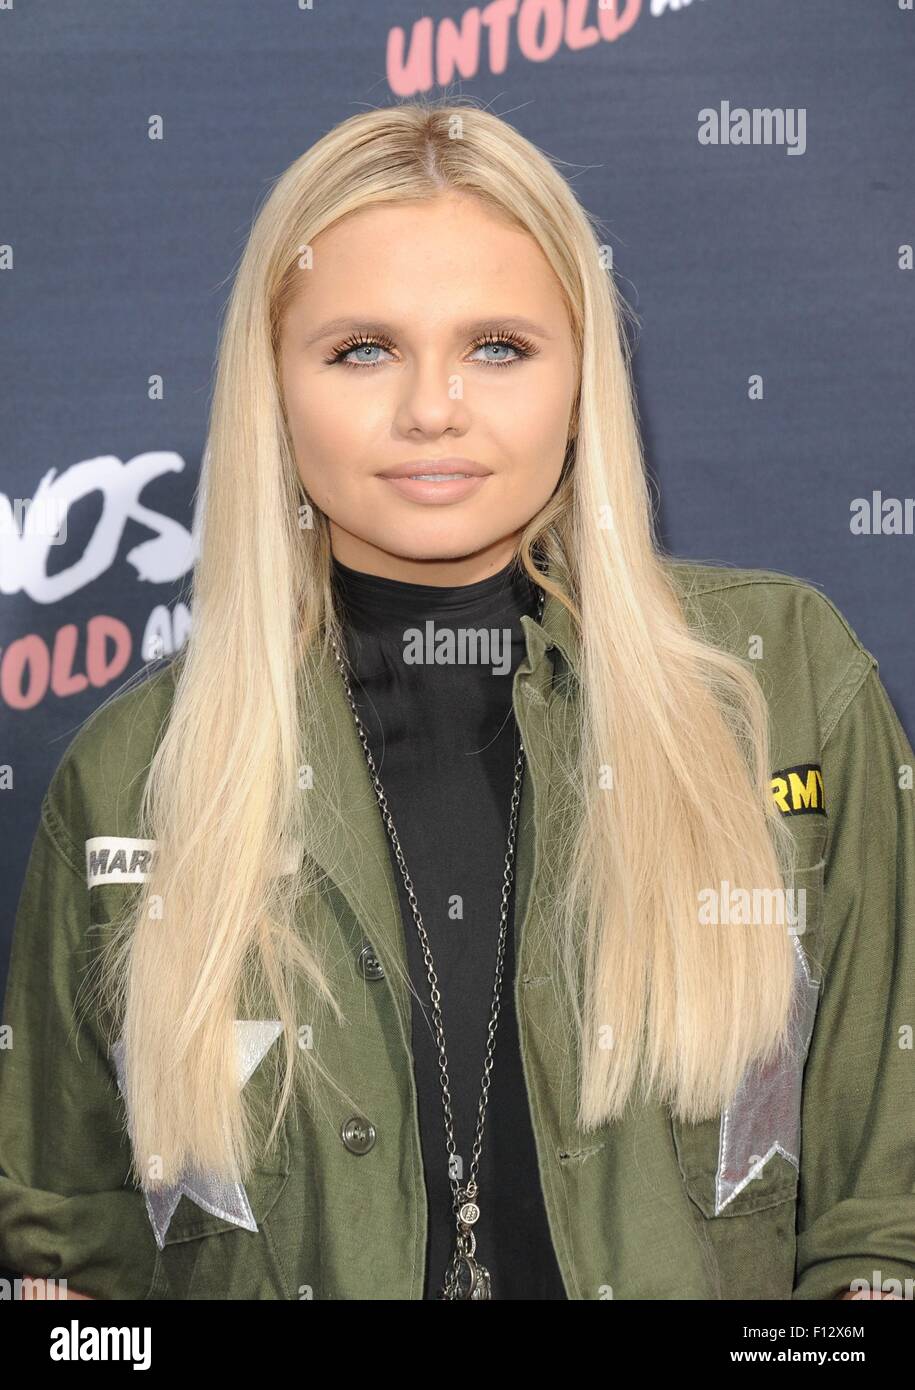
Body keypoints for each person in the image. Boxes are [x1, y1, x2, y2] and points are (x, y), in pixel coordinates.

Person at [2, 99, 913, 1301]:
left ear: (583, 373)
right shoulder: (134, 774)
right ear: (272, 385)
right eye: (362, 349)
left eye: (498, 346)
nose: (433, 407)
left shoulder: (782, 686)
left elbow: (879, 1228)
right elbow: (70, 1271)